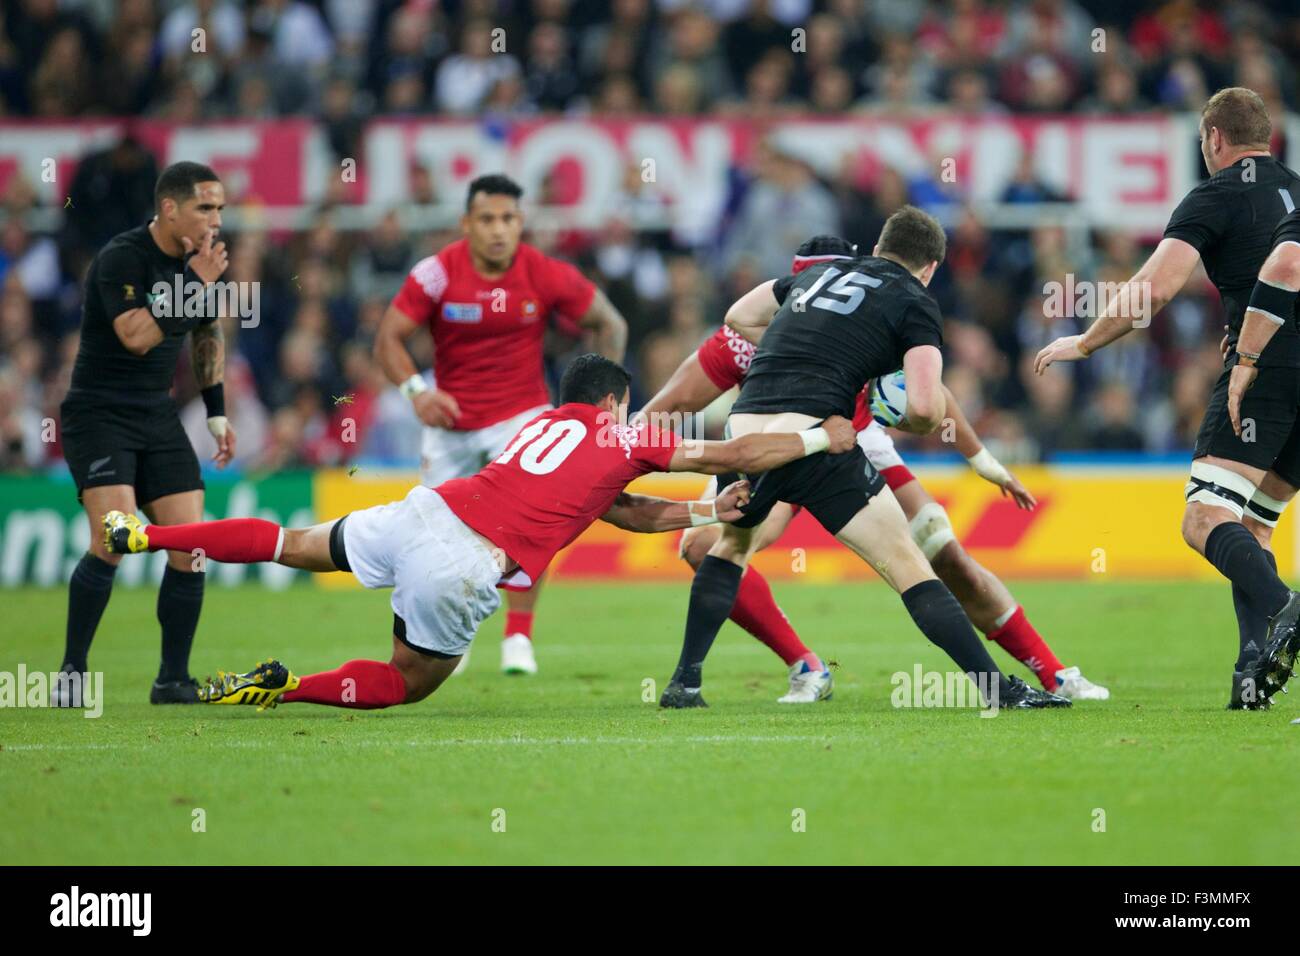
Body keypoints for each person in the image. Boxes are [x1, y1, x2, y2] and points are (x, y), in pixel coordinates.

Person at [102, 354, 858, 711]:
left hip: (424, 508)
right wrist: (821, 439)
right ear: (617, 400)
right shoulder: (626, 436)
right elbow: (733, 453)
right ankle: (288, 687)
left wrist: (700, 513)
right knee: (411, 678)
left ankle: (147, 536)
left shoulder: (539, 431)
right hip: (464, 560)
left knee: (290, 542)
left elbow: (615, 509)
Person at [643, 235, 1108, 703]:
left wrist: (980, 459)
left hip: (822, 437)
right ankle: (812, 666)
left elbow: (935, 394)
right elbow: (674, 401)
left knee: (945, 555)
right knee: (714, 547)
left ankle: (1052, 672)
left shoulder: (819, 313)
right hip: (814, 444)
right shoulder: (840, 314)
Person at [1034, 87, 1300, 709]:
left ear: (1212, 137)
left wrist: (1087, 342)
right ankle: (1250, 676)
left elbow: (1152, 290)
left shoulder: (1214, 195)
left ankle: (1288, 608)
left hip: (1267, 367)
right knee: (1252, 524)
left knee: (1204, 518)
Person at [373, 173, 628, 677]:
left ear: (521, 223)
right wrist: (416, 392)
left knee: (533, 525)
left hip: (521, 417)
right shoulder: (436, 274)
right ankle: (448, 638)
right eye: (487, 219)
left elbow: (612, 323)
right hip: (451, 422)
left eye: (508, 219)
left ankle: (518, 638)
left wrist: (600, 407)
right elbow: (387, 339)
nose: (498, 230)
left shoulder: (544, 272)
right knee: (431, 537)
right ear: (466, 223)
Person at [56, 160, 235, 705]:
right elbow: (136, 335)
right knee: (114, 539)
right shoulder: (122, 258)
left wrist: (215, 410)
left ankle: (172, 679)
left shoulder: (199, 266)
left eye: (220, 209)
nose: (215, 220)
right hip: (99, 413)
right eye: (205, 207)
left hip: (155, 414)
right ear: (169, 208)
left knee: (192, 548)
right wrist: (194, 281)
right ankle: (71, 671)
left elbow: (206, 334)